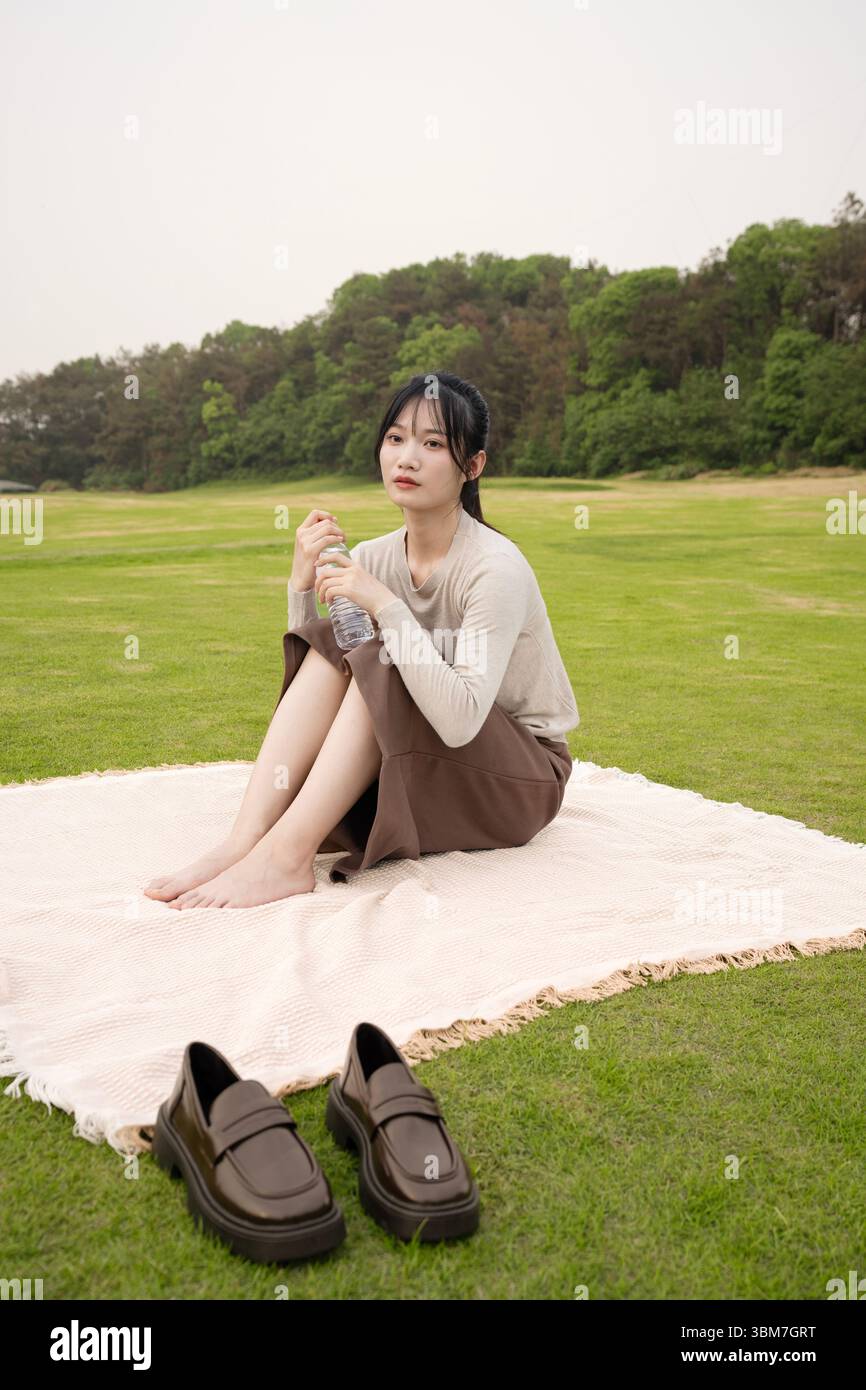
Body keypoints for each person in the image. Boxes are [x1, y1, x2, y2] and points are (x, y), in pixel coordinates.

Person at [144, 371, 579, 910]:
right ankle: (246, 842)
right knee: (350, 641)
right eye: (395, 439)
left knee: (387, 656)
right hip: (434, 761)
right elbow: (330, 655)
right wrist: (301, 585)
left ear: (473, 466)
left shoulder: (494, 568)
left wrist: (387, 607)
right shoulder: (374, 556)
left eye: (434, 443)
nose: (407, 458)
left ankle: (287, 859)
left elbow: (462, 719)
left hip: (519, 780)